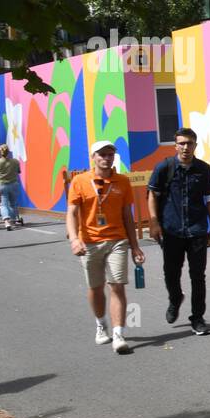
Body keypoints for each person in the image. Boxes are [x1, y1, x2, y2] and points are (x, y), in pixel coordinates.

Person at [66, 141, 146, 354]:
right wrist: (74, 239)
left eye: (110, 154)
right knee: (95, 288)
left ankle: (119, 334)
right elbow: (72, 212)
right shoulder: (80, 181)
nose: (107, 158)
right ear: (93, 157)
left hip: (117, 240)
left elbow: (127, 215)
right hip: (89, 242)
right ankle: (101, 324)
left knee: (117, 286)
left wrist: (135, 246)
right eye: (102, 154)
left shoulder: (122, 181)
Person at [147, 128, 210, 336]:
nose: (186, 147)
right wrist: (153, 223)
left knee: (198, 276)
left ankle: (197, 318)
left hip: (197, 231)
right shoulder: (164, 168)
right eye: (182, 143)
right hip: (171, 231)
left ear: (195, 145)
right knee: (171, 273)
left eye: (190, 143)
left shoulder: (204, 170)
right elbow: (152, 194)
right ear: (175, 145)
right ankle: (175, 298)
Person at [0, 144, 22, 228]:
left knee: (4, 204)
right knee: (13, 203)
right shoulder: (15, 161)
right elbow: (19, 172)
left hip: (2, 184)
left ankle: (6, 221)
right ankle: (13, 220)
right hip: (14, 184)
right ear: (9, 152)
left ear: (0, 152)